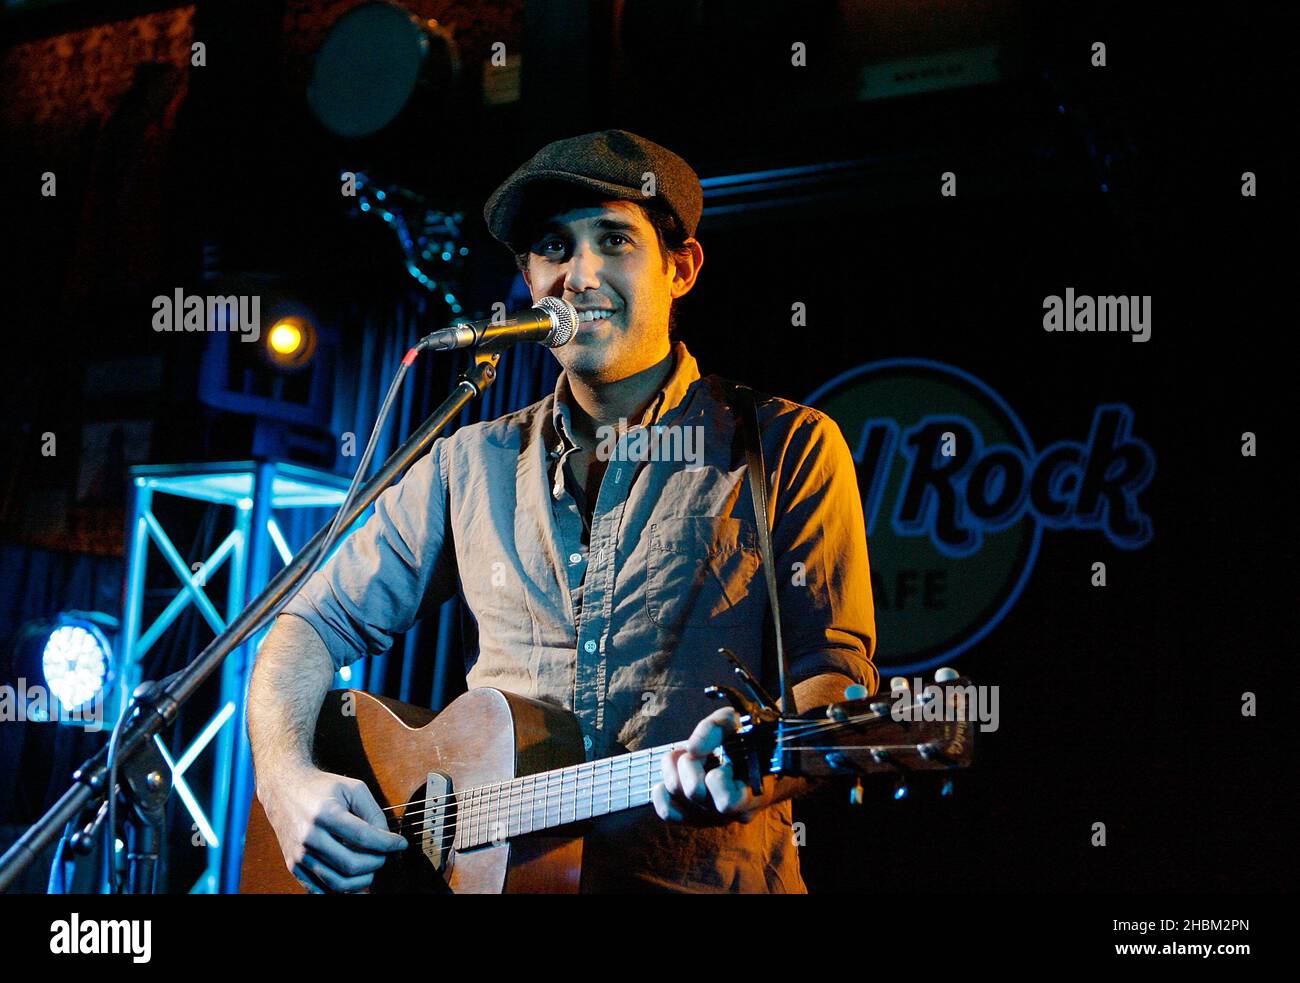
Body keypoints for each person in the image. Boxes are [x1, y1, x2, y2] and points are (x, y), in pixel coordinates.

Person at [246, 129, 877, 893]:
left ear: (681, 268)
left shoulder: (787, 446)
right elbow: (306, 622)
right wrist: (286, 786)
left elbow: (835, 675)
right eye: (553, 248)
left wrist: (763, 770)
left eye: (613, 239)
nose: (580, 275)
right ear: (527, 278)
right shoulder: (467, 460)